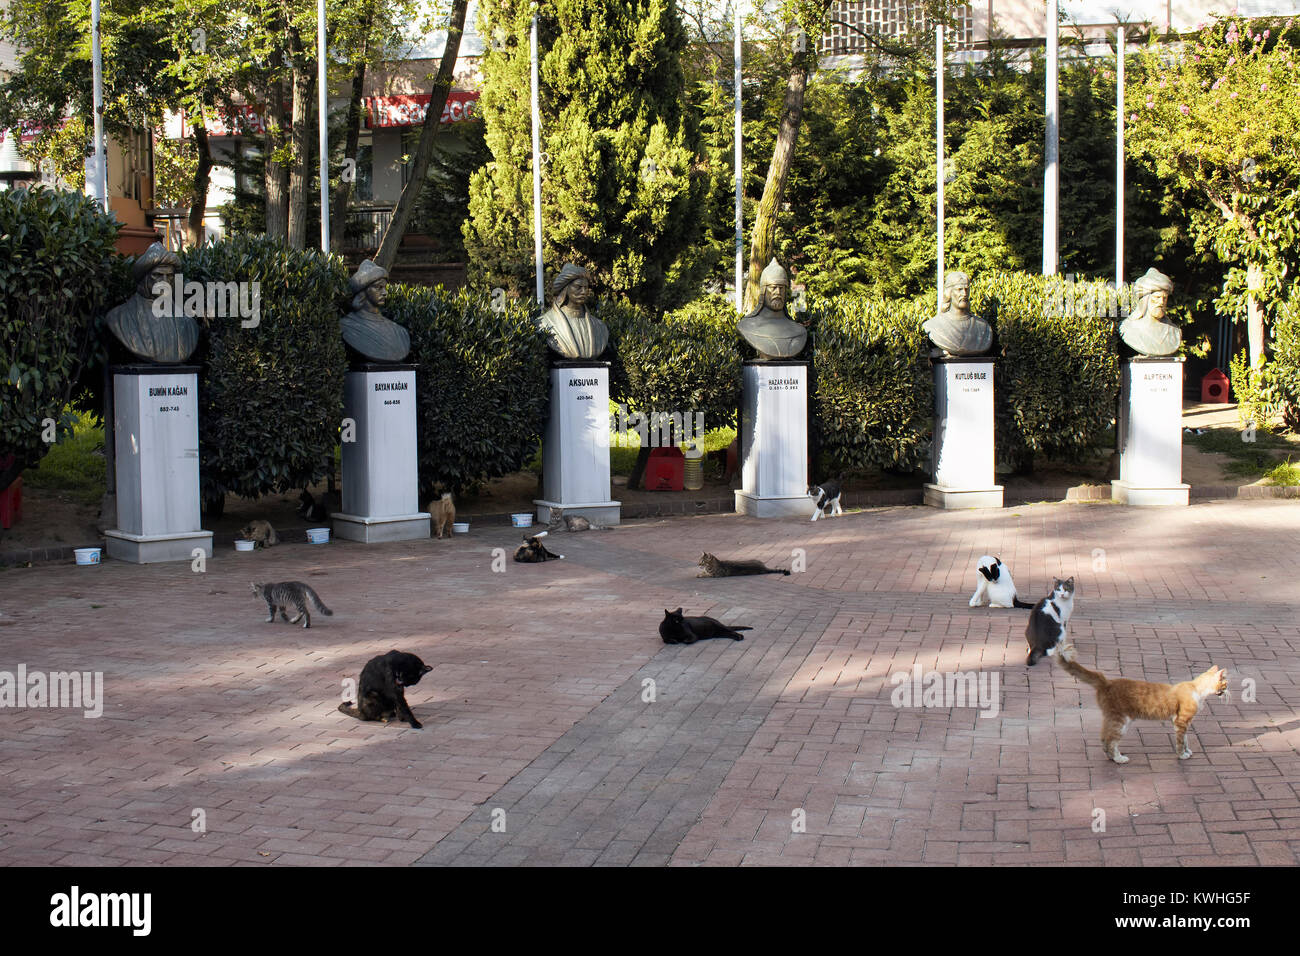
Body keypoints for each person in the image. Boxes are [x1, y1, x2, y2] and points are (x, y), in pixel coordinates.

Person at [104, 242, 200, 364]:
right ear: (143, 278)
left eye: (169, 276)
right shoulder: (119, 318)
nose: (164, 281)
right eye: (157, 275)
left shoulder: (189, 324)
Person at [341, 259, 410, 363]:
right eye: (379, 287)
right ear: (364, 290)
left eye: (385, 287)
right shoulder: (347, 326)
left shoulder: (400, 332)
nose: (385, 293)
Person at [737, 258, 807, 360]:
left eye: (781, 288)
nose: (778, 292)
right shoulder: (746, 325)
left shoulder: (799, 331)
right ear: (764, 291)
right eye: (773, 288)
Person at [539, 263, 608, 360]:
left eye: (586, 288)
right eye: (578, 287)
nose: (584, 292)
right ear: (565, 289)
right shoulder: (544, 323)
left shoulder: (600, 327)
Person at [922, 271, 993, 357]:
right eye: (959, 289)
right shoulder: (933, 326)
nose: (964, 294)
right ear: (949, 293)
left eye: (966, 289)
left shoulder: (983, 327)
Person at [1119, 268, 1179, 357]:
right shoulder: (1128, 328)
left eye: (1164, 298)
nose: (1161, 302)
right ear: (1145, 300)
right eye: (1157, 297)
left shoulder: (1174, 332)